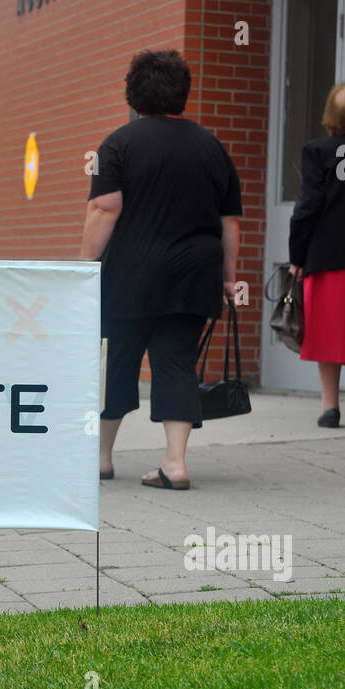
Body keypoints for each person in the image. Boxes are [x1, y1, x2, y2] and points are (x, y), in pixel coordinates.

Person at [81, 49, 242, 490]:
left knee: (122, 361)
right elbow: (229, 223)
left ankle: (101, 459)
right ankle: (175, 464)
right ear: (182, 95)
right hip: (194, 275)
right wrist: (228, 278)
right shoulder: (211, 146)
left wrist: (84, 266)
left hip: (133, 274)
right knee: (175, 364)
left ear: (134, 94)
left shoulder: (118, 143)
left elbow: (104, 209)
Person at [288, 81, 345, 427]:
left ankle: (330, 408)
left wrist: (296, 256)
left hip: (326, 256)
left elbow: (306, 209)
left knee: (328, 334)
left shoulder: (317, 152)